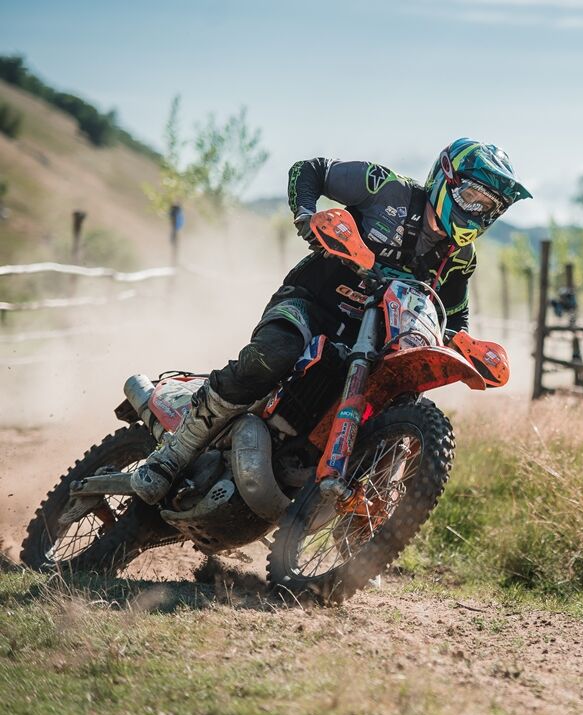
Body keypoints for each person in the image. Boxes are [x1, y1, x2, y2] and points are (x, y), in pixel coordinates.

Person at [130, 138, 531, 504]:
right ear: (447, 179)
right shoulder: (386, 188)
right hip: (313, 303)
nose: (477, 211)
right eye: (473, 197)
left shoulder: (461, 257)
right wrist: (306, 214)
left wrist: (462, 343)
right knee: (274, 354)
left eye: (488, 206)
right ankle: (174, 453)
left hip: (379, 339)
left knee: (403, 400)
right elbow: (311, 170)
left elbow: (453, 313)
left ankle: (362, 534)